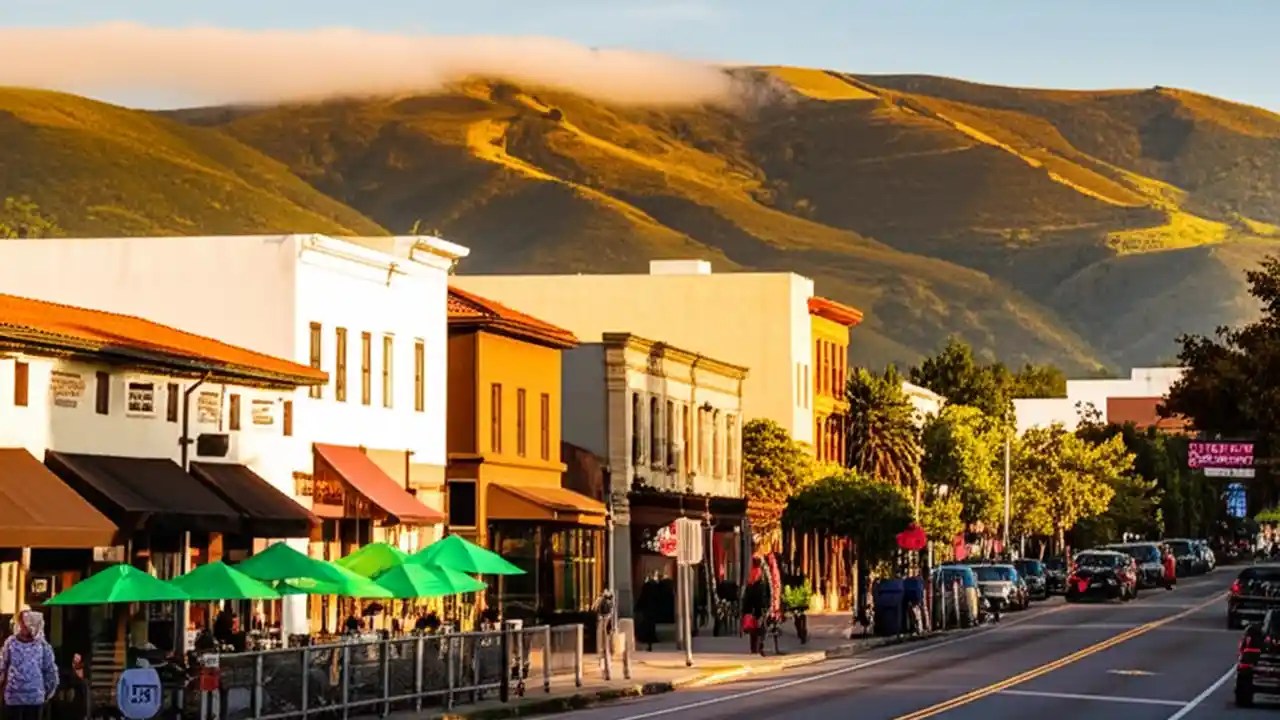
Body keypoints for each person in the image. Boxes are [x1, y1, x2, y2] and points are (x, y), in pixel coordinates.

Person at [0, 610, 57, 720]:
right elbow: (2, 666)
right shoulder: (10, 643)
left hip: (34, 699)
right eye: (21, 622)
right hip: (13, 698)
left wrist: (47, 692)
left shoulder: (42, 645)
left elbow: (50, 671)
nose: (22, 626)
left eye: (25, 623)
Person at [741, 559, 767, 656]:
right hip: (758, 607)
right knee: (760, 629)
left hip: (750, 608)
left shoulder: (751, 575)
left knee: (753, 630)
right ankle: (759, 648)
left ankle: (754, 649)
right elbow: (762, 594)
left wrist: (745, 610)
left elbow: (747, 594)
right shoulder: (760, 575)